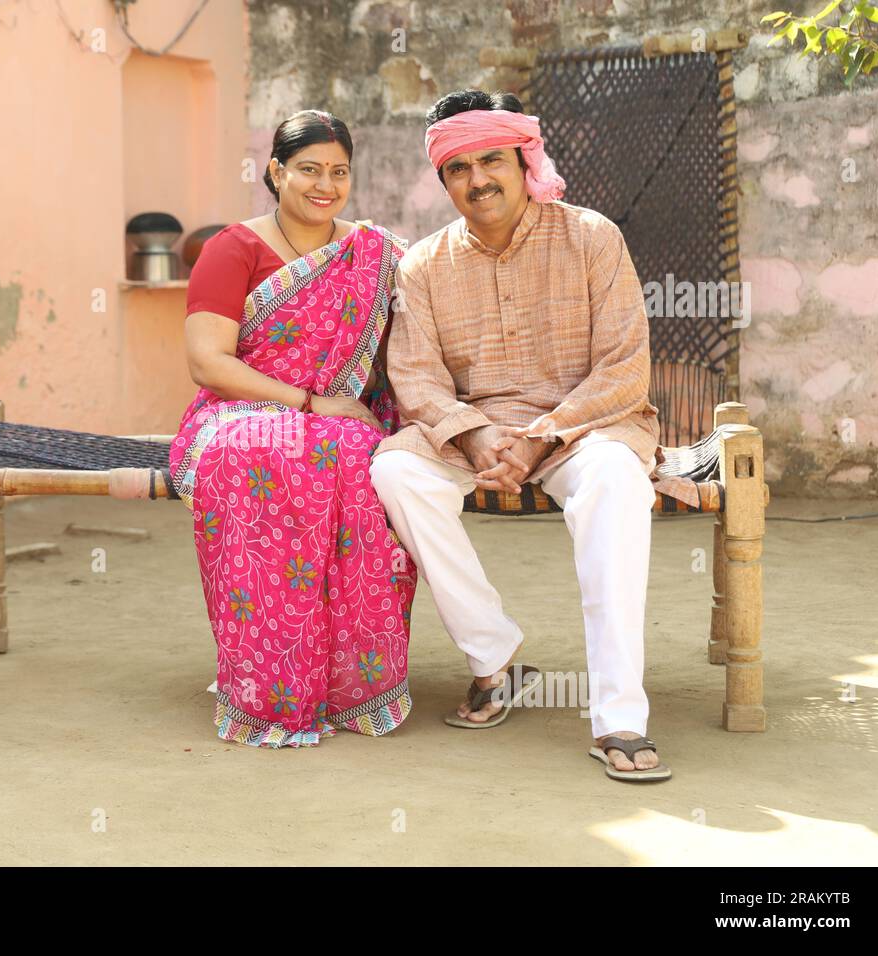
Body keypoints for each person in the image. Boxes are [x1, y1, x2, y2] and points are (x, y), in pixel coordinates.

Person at [370, 90, 672, 782]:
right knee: (395, 470)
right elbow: (415, 378)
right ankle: (495, 660)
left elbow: (623, 369)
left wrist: (539, 440)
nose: (478, 180)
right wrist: (474, 440)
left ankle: (619, 714)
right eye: (458, 168)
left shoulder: (593, 237)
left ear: (524, 160)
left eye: (492, 161)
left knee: (616, 482)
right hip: (478, 436)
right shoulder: (422, 265)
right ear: (443, 179)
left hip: (585, 429)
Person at [169, 110, 416, 748]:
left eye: (338, 172)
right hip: (240, 411)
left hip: (341, 418)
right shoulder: (234, 248)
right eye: (309, 170)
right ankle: (268, 686)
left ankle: (347, 684)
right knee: (260, 454)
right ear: (276, 172)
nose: (324, 185)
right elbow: (208, 362)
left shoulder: (373, 253)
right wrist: (305, 402)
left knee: (368, 458)